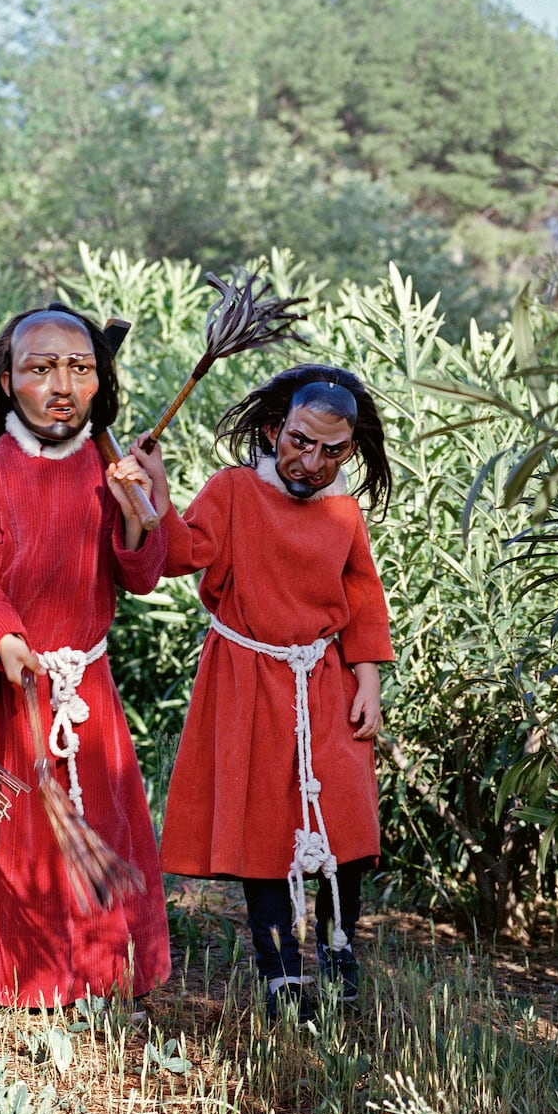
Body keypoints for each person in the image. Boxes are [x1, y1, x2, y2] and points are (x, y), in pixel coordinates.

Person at [0, 303, 172, 1030]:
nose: (61, 384)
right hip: (0, 682)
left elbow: (141, 575)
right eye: (41, 368)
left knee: (98, 818)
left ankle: (104, 973)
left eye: (80, 367)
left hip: (82, 685)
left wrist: (141, 515)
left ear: (100, 382)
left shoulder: (112, 468)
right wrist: (3, 636)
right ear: (8, 381)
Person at [155, 364, 394, 1020]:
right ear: (272, 429)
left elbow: (362, 595)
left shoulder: (343, 512)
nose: (311, 460)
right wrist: (152, 494)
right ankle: (281, 976)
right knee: (262, 827)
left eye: (331, 450)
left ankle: (341, 957)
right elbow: (181, 551)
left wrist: (368, 677)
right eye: (298, 440)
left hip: (324, 679)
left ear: (351, 450)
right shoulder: (233, 491)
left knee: (343, 822)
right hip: (247, 682)